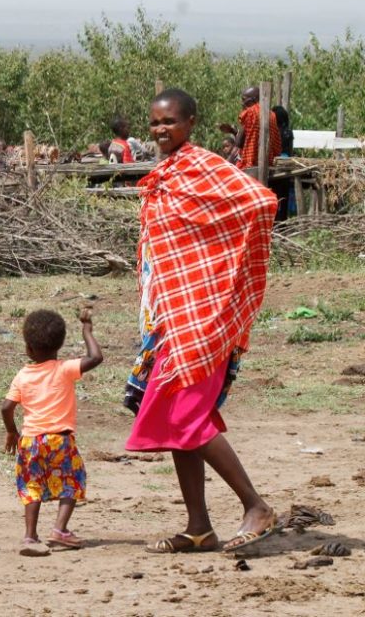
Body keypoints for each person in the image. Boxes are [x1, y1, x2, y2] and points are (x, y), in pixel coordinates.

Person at [128, 88, 278, 554]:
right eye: (155, 122)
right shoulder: (166, 172)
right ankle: (199, 527)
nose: (160, 130)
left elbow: (257, 202)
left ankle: (256, 506)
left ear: (191, 122)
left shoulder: (203, 166)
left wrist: (216, 266)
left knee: (187, 417)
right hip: (172, 315)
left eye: (170, 122)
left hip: (205, 316)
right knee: (177, 421)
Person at [1, 308, 103, 554]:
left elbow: (6, 407)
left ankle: (29, 537)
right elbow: (96, 357)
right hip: (60, 440)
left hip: (30, 441)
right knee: (71, 481)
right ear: (59, 346)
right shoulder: (65, 369)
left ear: (28, 348)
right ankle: (59, 529)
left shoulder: (22, 376)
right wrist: (87, 329)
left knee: (31, 486)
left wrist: (12, 432)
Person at [218, 87, 280, 167]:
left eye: (244, 99)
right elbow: (251, 137)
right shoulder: (271, 114)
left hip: (251, 162)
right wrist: (232, 131)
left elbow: (238, 144)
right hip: (268, 161)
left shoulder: (250, 112)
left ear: (253, 99)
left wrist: (226, 165)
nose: (242, 103)